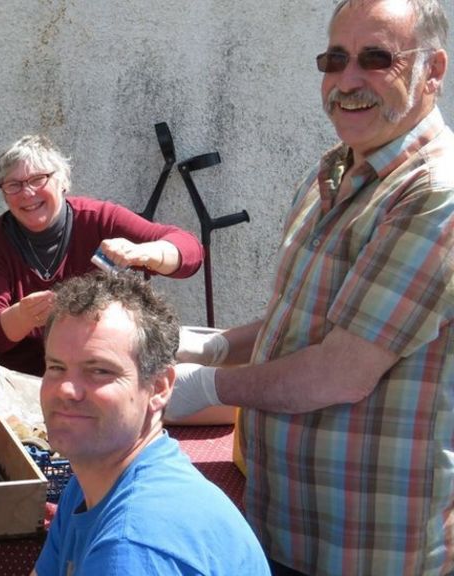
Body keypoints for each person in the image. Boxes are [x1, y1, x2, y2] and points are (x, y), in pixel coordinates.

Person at [167, 0, 454, 573]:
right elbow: (296, 326)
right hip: (286, 526)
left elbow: (340, 371)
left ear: (433, 71)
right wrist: (206, 345)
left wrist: (205, 386)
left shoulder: (435, 193)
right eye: (335, 59)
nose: (348, 80)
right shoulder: (332, 172)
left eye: (377, 59)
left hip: (369, 547)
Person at [32, 270, 268, 576]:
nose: (66, 389)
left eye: (100, 371)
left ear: (158, 388)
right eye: (56, 367)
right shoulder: (88, 482)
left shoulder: (132, 548)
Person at [0, 135, 202, 376]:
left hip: (99, 373)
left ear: (62, 181)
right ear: (4, 193)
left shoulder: (99, 219)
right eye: (13, 185)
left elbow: (191, 251)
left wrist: (144, 252)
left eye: (38, 179)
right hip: (18, 377)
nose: (27, 192)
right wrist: (23, 316)